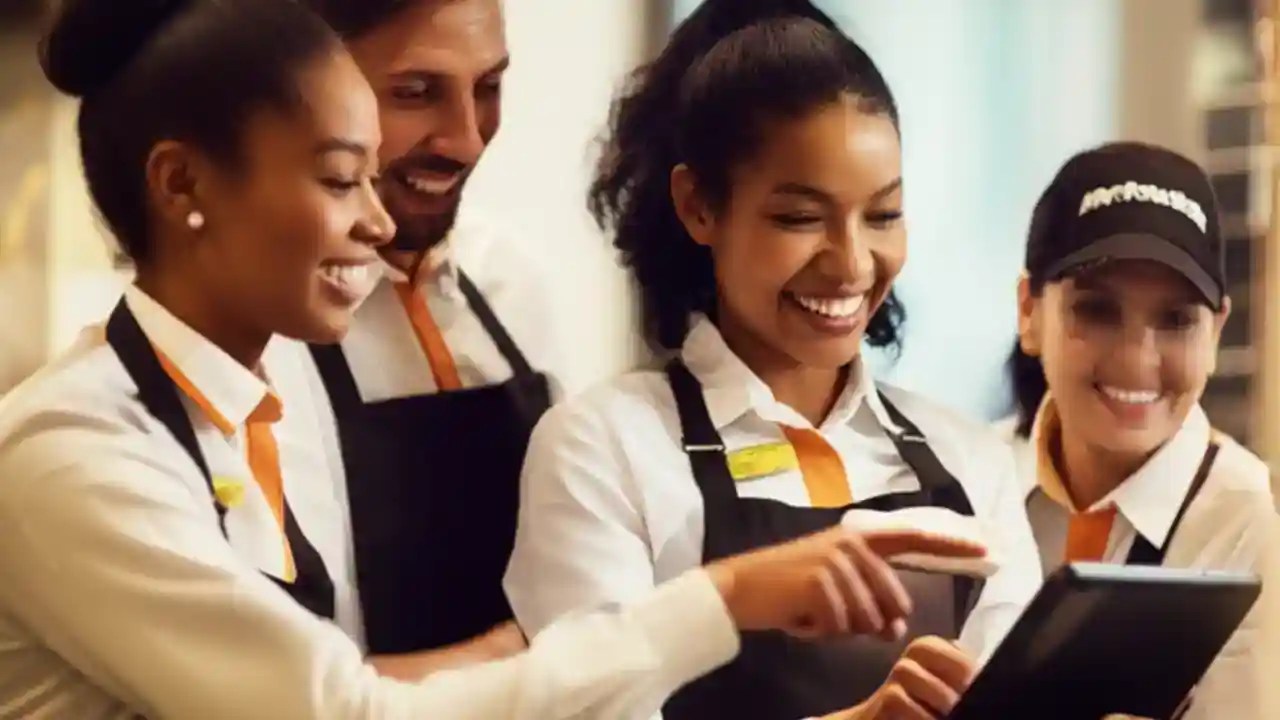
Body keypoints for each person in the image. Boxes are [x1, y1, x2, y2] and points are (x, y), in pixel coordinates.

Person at [0, 1, 990, 717]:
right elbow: (340, 706)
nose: (381, 219)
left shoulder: (239, 412)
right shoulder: (70, 454)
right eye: (345, 174)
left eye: (489, 89)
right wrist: (718, 599)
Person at [504, 2, 1042, 719]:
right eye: (800, 218)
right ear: (698, 206)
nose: (852, 263)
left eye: (883, 215)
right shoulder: (605, 450)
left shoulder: (974, 462)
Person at [293, 0, 555, 659]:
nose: (466, 139)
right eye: (414, 93)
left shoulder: (510, 278)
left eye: (489, 87)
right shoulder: (262, 331)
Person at [1008, 141, 1280, 720]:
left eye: (1177, 319)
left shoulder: (1250, 522)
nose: (1137, 360)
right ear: (1029, 312)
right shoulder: (965, 478)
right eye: (1097, 311)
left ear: (1216, 332)